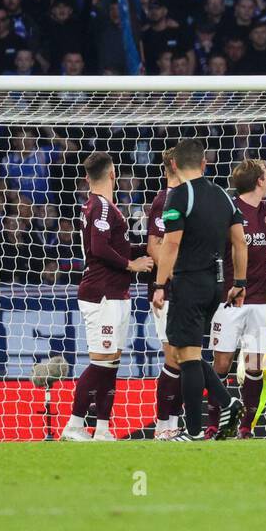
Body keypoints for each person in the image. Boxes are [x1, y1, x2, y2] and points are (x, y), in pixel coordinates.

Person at [151, 139, 246, 441]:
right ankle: (228, 401)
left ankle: (193, 431)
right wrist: (240, 284)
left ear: (175, 165)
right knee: (186, 354)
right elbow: (240, 242)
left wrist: (159, 284)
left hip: (189, 282)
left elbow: (172, 244)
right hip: (215, 286)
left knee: (188, 357)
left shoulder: (179, 195)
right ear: (204, 164)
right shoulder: (223, 195)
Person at [62, 151, 153, 441]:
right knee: (102, 361)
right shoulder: (100, 206)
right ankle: (74, 425)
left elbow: (116, 247)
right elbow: (100, 248)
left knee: (112, 362)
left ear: (88, 177)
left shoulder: (100, 206)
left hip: (116, 292)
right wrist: (132, 264)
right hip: (101, 293)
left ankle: (102, 427)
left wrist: (150, 250)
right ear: (113, 174)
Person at [211, 159, 266, 439]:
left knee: (255, 365)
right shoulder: (227, 210)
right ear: (259, 181)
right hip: (230, 299)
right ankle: (213, 424)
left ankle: (246, 427)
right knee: (222, 364)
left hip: (261, 300)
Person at [145, 149, 183, 439]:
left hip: (183, 291)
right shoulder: (164, 200)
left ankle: (173, 423)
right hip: (167, 291)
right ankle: (163, 425)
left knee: (182, 358)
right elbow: (154, 246)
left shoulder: (184, 199)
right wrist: (174, 276)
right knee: (173, 358)